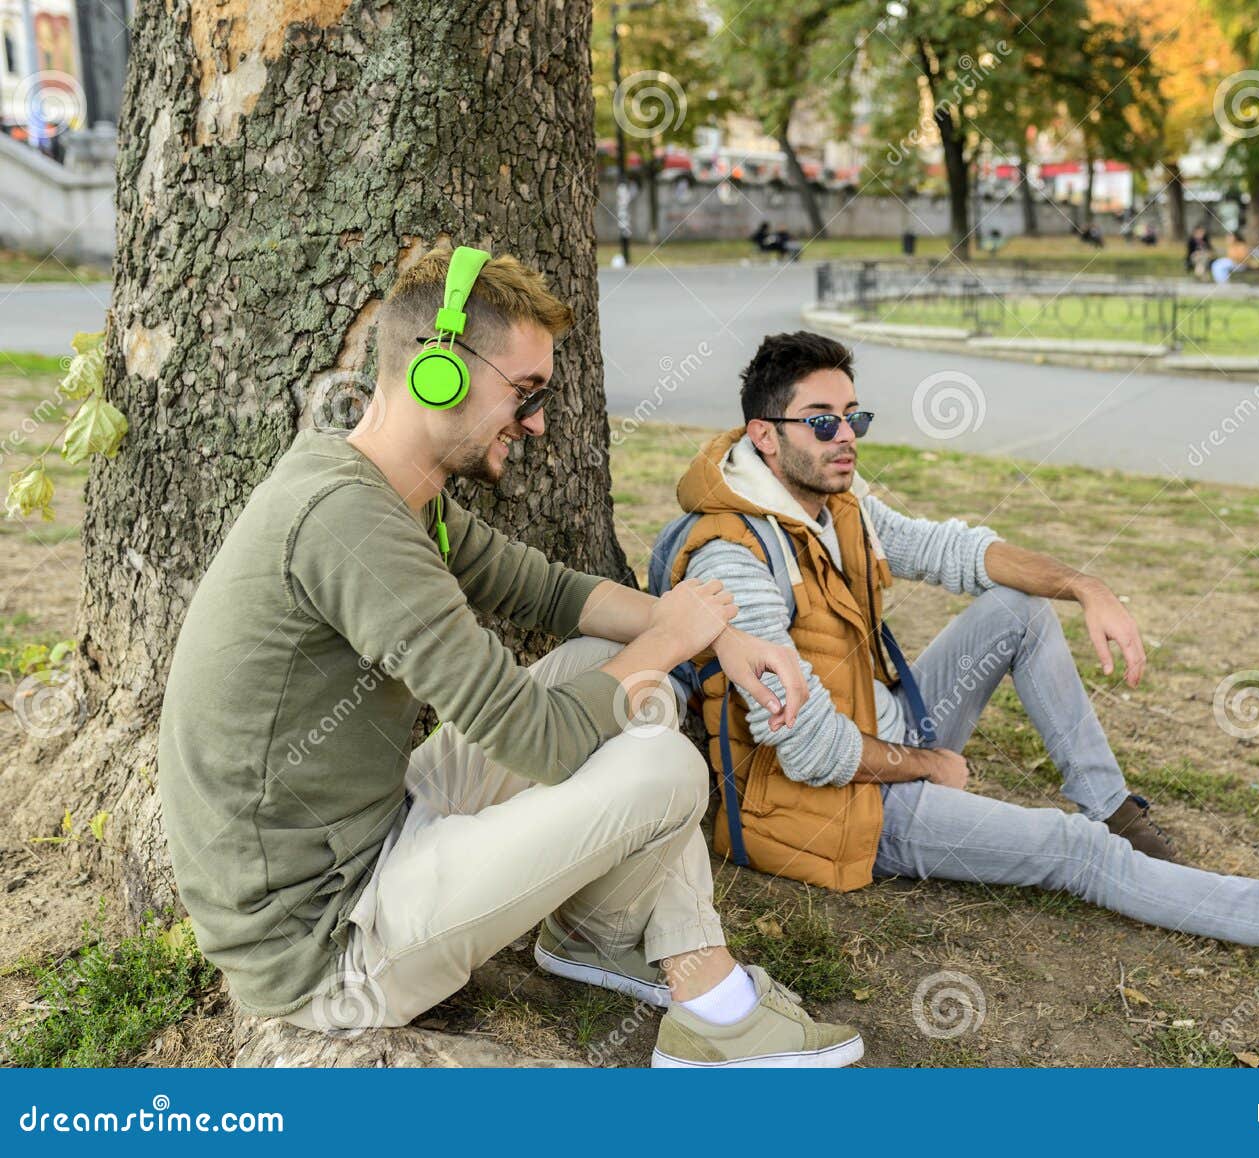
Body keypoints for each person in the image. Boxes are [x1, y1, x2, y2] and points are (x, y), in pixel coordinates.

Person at [156, 247, 863, 1068]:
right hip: (327, 948)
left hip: (377, 831)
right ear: (438, 374)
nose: (534, 424)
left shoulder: (381, 491)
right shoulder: (348, 526)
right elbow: (540, 740)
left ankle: (605, 943)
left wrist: (726, 637)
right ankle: (713, 1011)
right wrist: (675, 636)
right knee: (665, 766)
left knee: (608, 657)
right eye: (524, 394)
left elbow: (554, 594)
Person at [659, 331, 1259, 989]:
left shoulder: (836, 499)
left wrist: (1084, 585)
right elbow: (808, 750)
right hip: (827, 805)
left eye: (855, 418)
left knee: (1018, 609)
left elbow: (953, 551)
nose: (847, 438)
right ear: (766, 438)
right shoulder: (735, 559)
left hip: (879, 729)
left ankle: (1118, 815)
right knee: (1072, 857)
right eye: (824, 422)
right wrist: (924, 765)